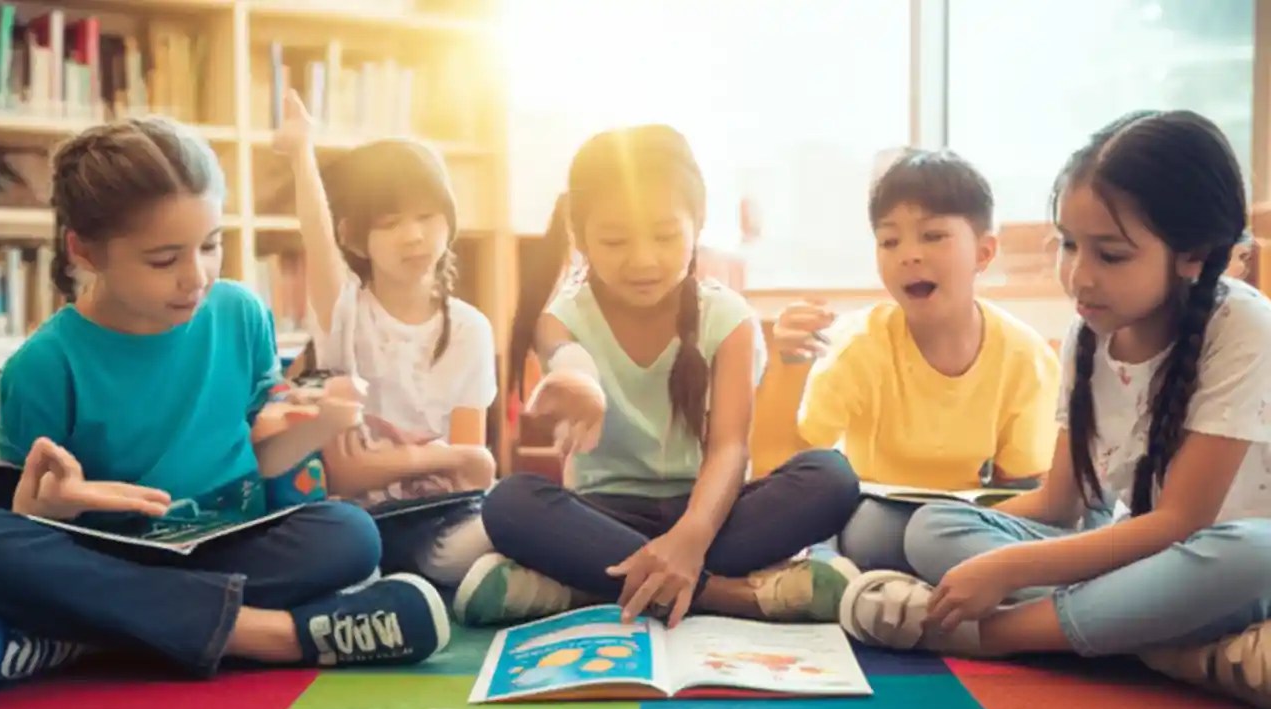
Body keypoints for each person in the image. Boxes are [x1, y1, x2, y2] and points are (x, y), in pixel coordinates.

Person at [838, 111, 1271, 709]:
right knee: (928, 528)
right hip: (1139, 559)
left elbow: (1181, 525)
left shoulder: (1243, 325)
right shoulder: (1088, 333)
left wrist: (1011, 572)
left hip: (1219, 559)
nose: (1078, 276)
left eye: (1111, 255)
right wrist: (993, 556)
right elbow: (1060, 503)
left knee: (1259, 552)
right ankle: (1143, 636)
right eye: (1069, 244)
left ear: (1192, 255)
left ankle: (999, 635)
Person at [0, 117, 448, 686]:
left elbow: (266, 448)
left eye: (211, 246)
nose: (197, 277)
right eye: (163, 260)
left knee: (350, 535)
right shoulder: (42, 366)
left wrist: (317, 420)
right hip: (113, 556)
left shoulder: (239, 312)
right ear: (85, 251)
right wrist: (50, 508)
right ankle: (275, 636)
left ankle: (86, 631)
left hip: (226, 549)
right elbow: (20, 518)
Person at [455, 124, 860, 628]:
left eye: (665, 236)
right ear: (580, 238)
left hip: (711, 514)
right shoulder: (563, 316)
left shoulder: (727, 319)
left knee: (832, 477)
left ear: (698, 223)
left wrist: (690, 538)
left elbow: (730, 448)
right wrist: (579, 383)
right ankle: (733, 595)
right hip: (604, 514)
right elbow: (567, 357)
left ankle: (579, 588)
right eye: (615, 240)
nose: (643, 260)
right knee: (508, 503)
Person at [775, 148, 1060, 573]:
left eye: (932, 236)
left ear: (984, 252)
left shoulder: (1024, 355)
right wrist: (787, 366)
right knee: (872, 534)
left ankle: (948, 592)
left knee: (939, 536)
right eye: (889, 241)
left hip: (968, 520)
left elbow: (1020, 486)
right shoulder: (859, 345)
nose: (908, 254)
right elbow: (796, 461)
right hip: (875, 514)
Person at [272, 90, 496, 587]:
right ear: (355, 239)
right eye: (390, 223)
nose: (414, 236)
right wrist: (301, 152)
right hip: (357, 520)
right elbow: (344, 477)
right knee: (342, 548)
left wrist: (384, 463)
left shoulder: (470, 329)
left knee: (491, 533)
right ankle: (388, 587)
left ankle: (471, 587)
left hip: (445, 518)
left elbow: (474, 469)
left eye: (426, 217)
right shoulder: (346, 313)